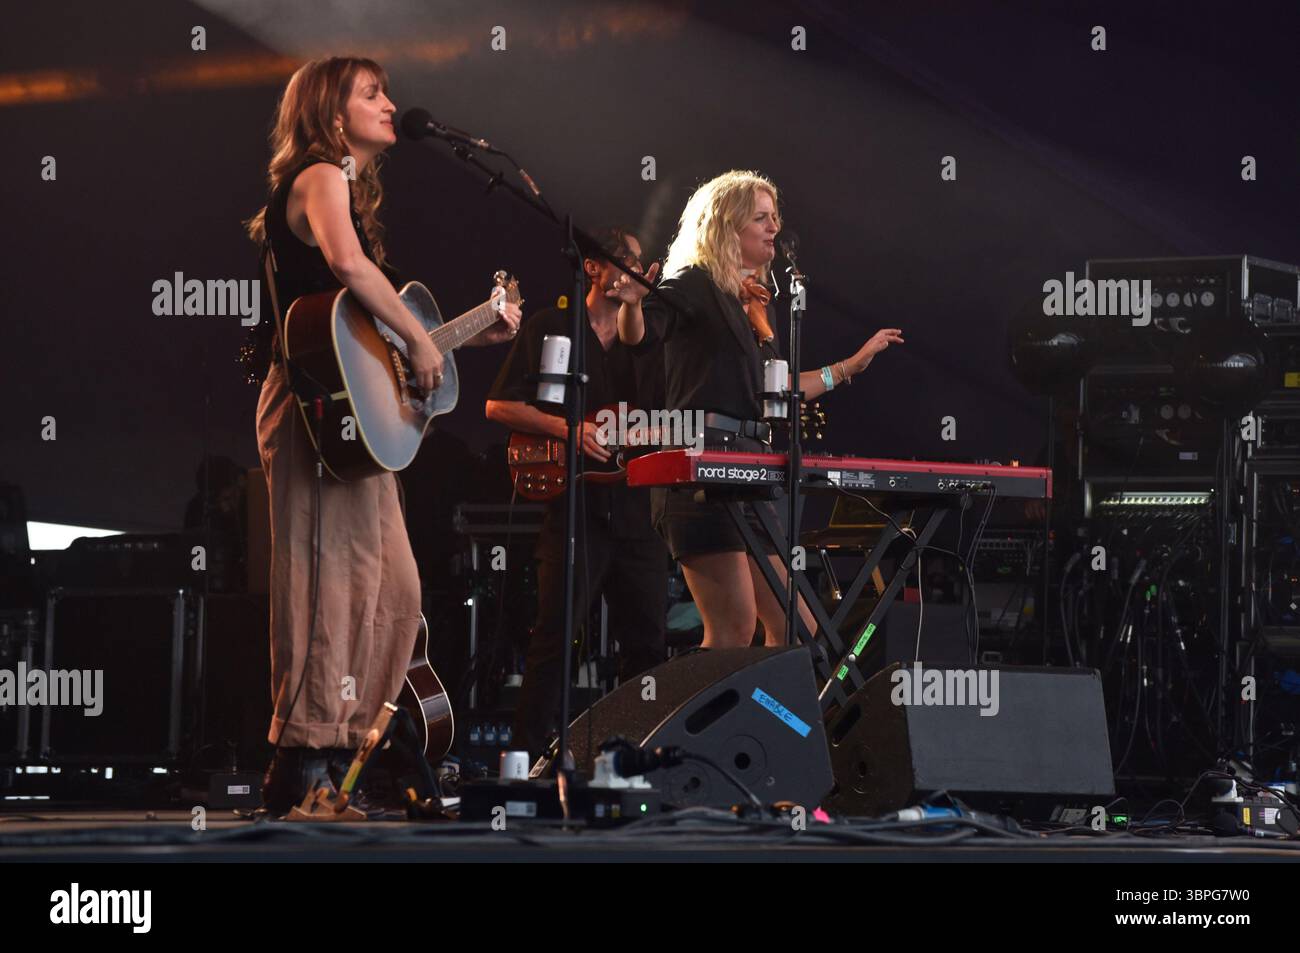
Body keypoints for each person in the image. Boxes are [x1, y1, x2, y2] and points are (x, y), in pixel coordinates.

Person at [244, 56, 521, 811]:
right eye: (372, 94)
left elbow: (373, 344)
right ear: (333, 114)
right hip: (312, 411)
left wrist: (463, 333)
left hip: (350, 419)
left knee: (393, 588)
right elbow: (346, 267)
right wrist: (424, 341)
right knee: (324, 583)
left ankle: (354, 751)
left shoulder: (347, 192)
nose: (392, 104)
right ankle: (302, 761)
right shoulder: (318, 173)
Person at [614, 170, 904, 648]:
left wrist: (850, 366)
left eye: (775, 218)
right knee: (732, 629)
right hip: (703, 474)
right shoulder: (691, 283)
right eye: (762, 218)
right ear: (727, 226)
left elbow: (779, 388)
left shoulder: (747, 304)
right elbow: (640, 336)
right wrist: (631, 306)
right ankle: (697, 722)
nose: (774, 228)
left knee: (795, 629)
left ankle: (768, 723)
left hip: (747, 472)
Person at [485, 228, 668, 759]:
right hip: (573, 513)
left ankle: (641, 758)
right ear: (593, 268)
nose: (635, 270)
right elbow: (497, 407)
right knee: (553, 638)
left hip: (637, 514)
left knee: (647, 645)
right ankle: (528, 758)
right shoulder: (549, 325)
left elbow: (662, 416)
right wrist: (570, 430)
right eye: (625, 260)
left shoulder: (647, 337)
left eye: (639, 263)